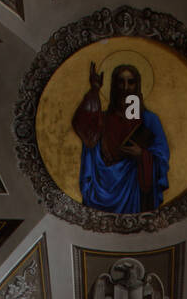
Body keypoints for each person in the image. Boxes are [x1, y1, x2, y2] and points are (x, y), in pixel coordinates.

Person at [72, 62, 169, 214]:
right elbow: (84, 128)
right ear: (113, 86)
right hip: (102, 187)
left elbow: (162, 156)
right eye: (121, 82)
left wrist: (142, 155)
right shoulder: (102, 119)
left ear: (137, 86)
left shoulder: (149, 120)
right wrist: (94, 91)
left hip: (135, 188)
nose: (125, 87)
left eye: (131, 82)